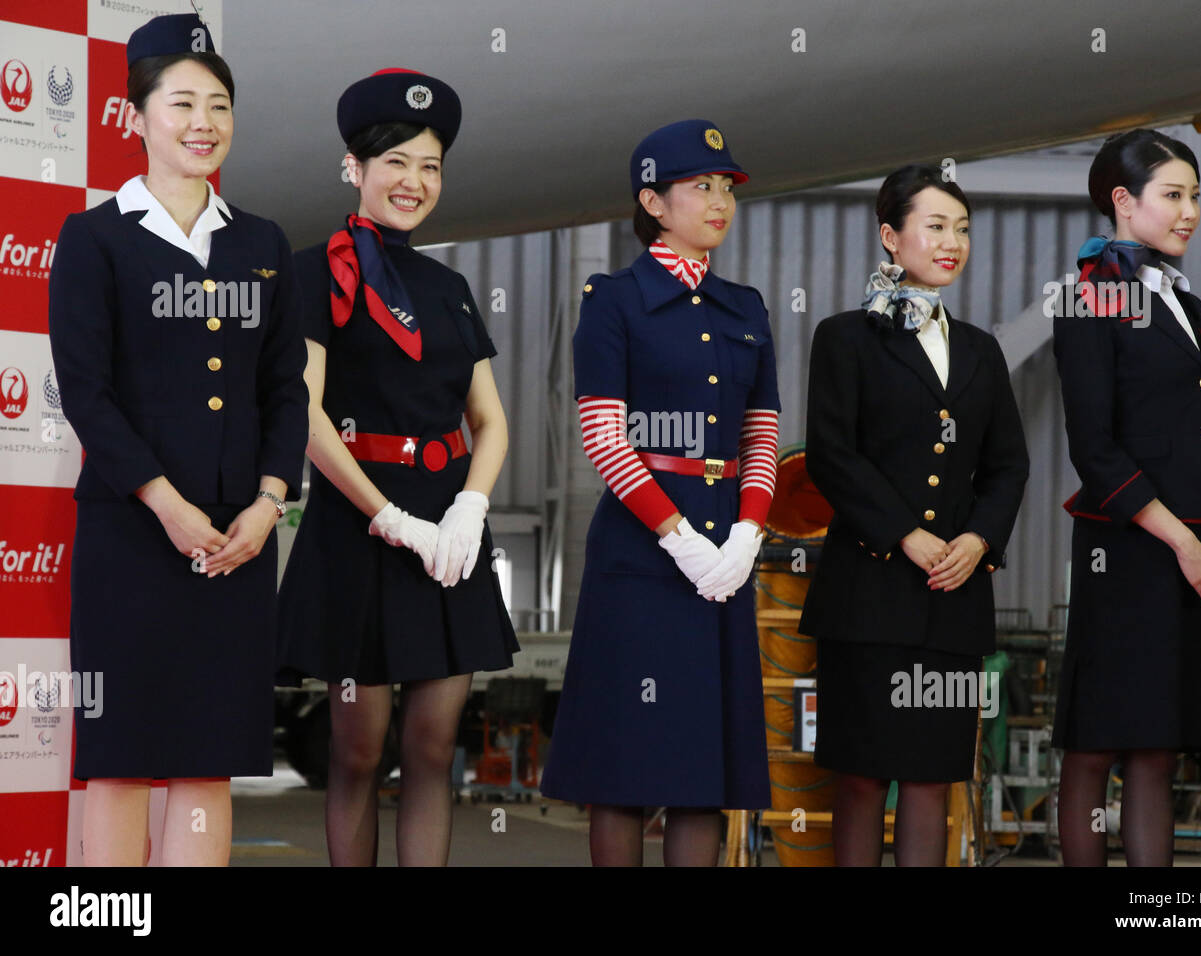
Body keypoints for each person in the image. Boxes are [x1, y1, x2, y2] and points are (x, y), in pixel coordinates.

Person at [47, 13, 308, 866]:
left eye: (220, 104)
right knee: (120, 759)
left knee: (210, 760)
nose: (205, 122)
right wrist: (163, 502)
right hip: (131, 534)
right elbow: (85, 392)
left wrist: (270, 506)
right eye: (184, 102)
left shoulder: (262, 243)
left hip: (237, 540)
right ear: (136, 117)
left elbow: (283, 390)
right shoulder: (94, 239)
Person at [276, 69, 517, 866]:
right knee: (355, 751)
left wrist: (470, 510)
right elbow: (304, 414)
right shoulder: (312, 272)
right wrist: (386, 514)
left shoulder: (449, 288)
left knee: (431, 748)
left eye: (431, 166)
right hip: (359, 525)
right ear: (355, 167)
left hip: (446, 536)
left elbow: (489, 420)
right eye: (397, 162)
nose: (415, 182)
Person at [539, 119, 781, 866]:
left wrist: (748, 534)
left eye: (726, 188)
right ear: (652, 200)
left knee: (702, 772)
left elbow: (762, 434)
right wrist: (678, 538)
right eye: (699, 187)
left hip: (726, 555)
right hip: (642, 556)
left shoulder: (747, 308)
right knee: (624, 768)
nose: (719, 202)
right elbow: (606, 440)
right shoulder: (613, 299)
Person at [799, 164, 1029, 866]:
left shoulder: (984, 352)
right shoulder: (845, 339)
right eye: (935, 226)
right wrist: (908, 533)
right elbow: (833, 458)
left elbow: (1008, 465)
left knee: (934, 779)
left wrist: (978, 539)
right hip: (866, 597)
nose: (952, 241)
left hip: (954, 598)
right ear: (891, 237)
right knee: (863, 775)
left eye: (961, 228)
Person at [1052, 129, 1201, 866]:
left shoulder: (1189, 305)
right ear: (1123, 202)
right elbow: (1094, 448)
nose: (1190, 211)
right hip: (1128, 547)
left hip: (1196, 551)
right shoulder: (1090, 298)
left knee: (1157, 751)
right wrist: (1186, 542)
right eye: (1173, 195)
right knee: (1098, 745)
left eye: (1196, 195)